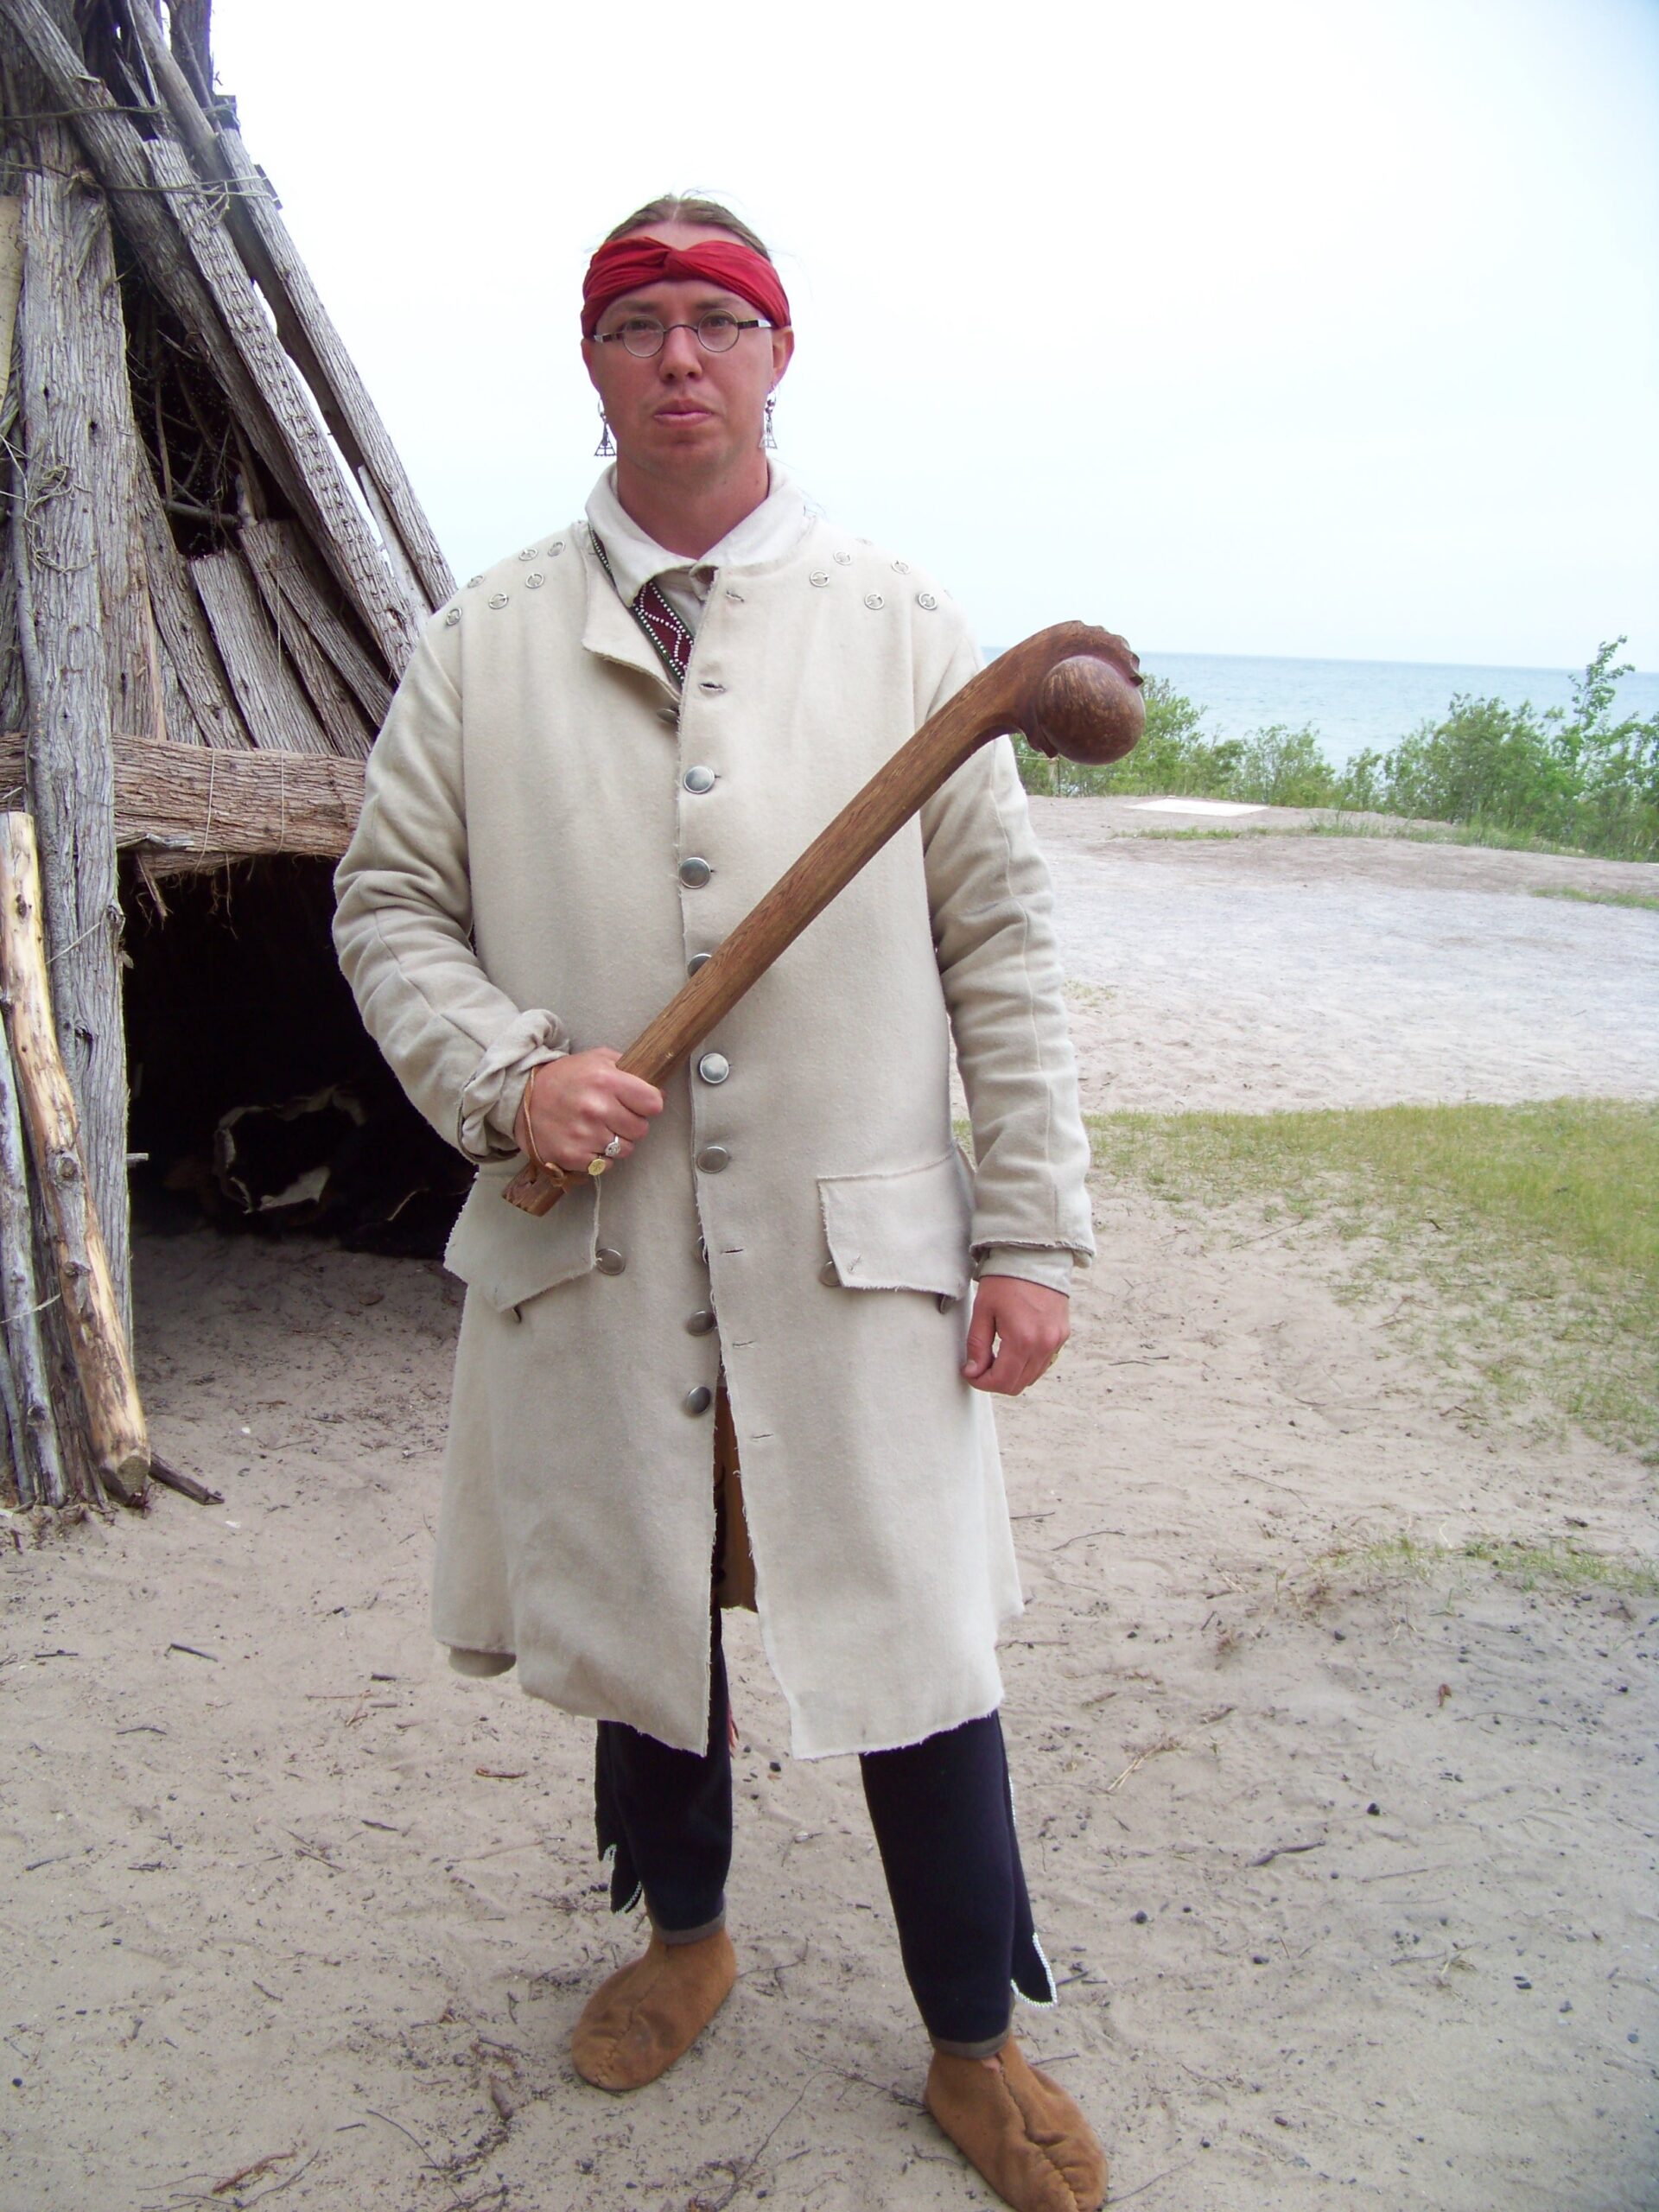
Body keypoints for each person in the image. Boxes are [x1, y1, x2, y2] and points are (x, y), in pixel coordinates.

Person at [333, 194, 1105, 2212]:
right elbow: (388, 904)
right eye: (642, 324)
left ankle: (974, 2033)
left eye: (721, 323)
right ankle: (682, 1933)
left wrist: (1029, 1229)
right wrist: (513, 1071)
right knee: (645, 1609)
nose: (683, 356)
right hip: (602, 1243)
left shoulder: (900, 626)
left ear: (779, 358)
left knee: (919, 1638)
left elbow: (999, 943)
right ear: (592, 364)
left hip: (856, 1255)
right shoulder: (483, 637)